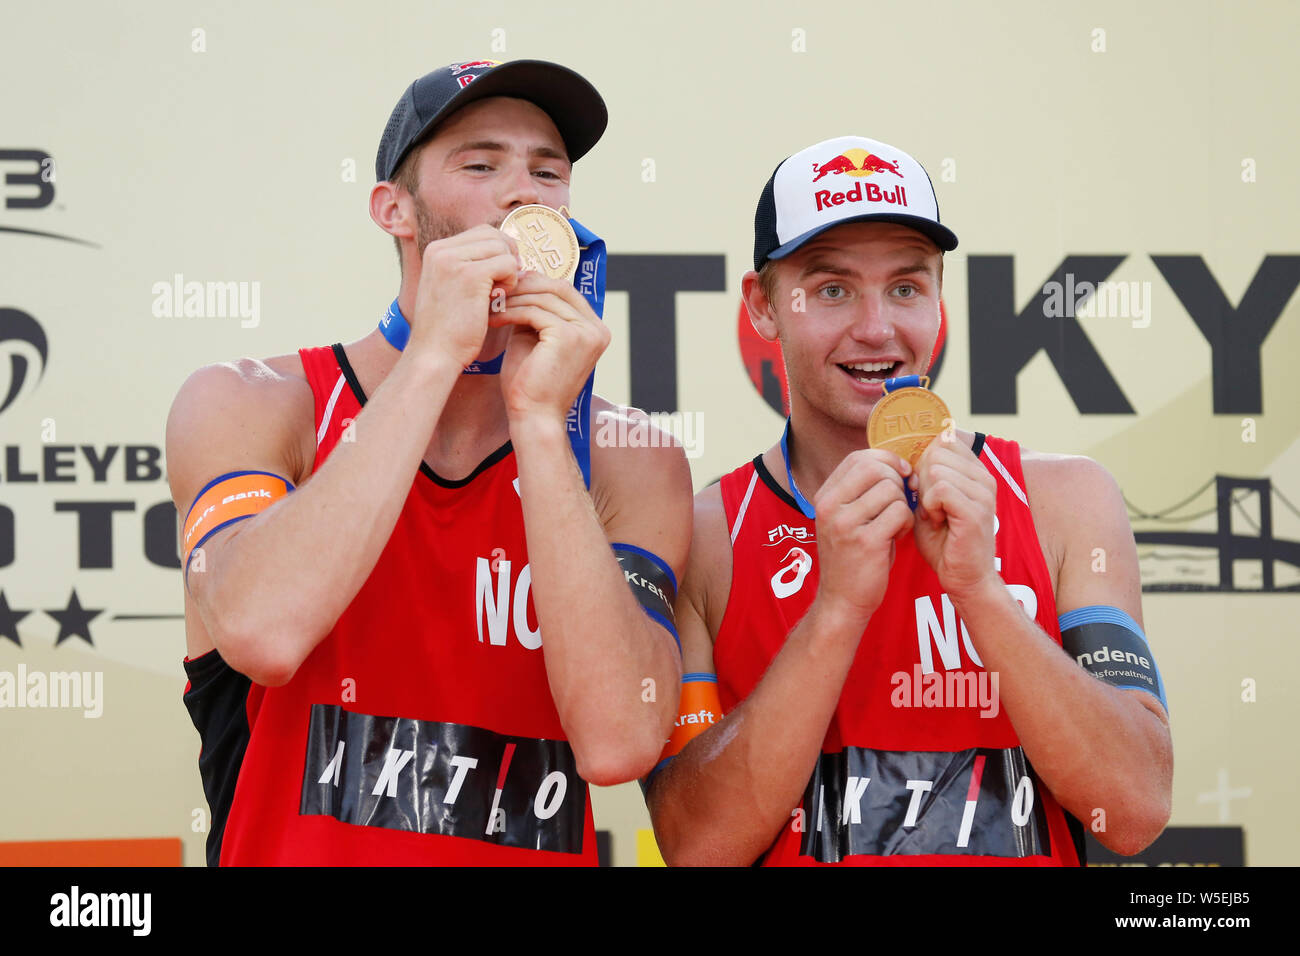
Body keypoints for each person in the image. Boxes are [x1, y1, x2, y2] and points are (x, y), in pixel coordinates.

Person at [167, 59, 691, 865]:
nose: (522, 194)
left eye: (547, 172)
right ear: (395, 210)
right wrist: (434, 356)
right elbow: (262, 633)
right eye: (480, 166)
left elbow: (618, 743)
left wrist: (541, 424)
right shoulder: (256, 402)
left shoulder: (629, 459)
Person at [644, 135, 1173, 865]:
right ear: (764, 306)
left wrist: (981, 591)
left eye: (905, 287)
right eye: (832, 289)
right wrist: (837, 608)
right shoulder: (706, 535)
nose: (876, 329)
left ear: (938, 298)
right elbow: (697, 848)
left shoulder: (1065, 501)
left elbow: (1136, 809)